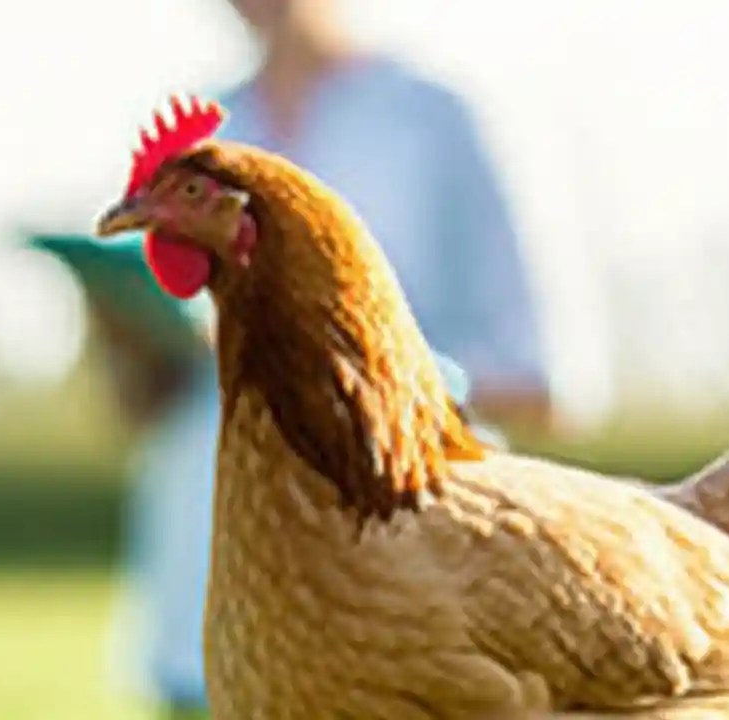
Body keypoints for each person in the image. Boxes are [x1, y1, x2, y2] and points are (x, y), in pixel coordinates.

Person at [116, 0, 555, 714]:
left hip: (391, 610)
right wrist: (140, 349)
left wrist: (364, 378)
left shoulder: (434, 121)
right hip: (207, 601)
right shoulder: (213, 126)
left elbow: (545, 381)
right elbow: (140, 407)